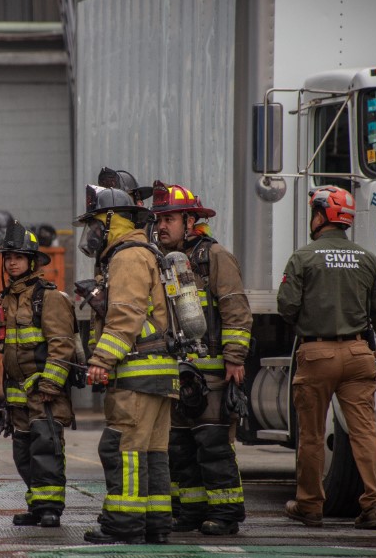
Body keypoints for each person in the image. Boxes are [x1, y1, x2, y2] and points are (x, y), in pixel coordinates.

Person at [278, 186, 376, 530]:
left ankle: (310, 505)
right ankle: (373, 504)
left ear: (320, 216)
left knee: (311, 435)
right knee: (365, 433)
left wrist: (308, 328)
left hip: (317, 354)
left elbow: (286, 306)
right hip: (360, 354)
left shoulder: (304, 257)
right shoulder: (367, 258)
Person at [75, 185, 177, 545]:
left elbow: (126, 313)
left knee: (123, 448)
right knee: (153, 452)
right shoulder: (144, 252)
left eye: (93, 224)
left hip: (137, 373)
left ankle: (125, 523)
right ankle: (155, 523)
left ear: (109, 220)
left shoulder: (127, 256)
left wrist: (102, 359)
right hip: (158, 374)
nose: (91, 233)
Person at [151, 181, 252, 536]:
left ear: (191, 220)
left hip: (210, 371)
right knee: (178, 446)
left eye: (170, 218)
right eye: (158, 220)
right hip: (176, 372)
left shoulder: (215, 256)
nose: (161, 226)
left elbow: (236, 309)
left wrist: (235, 358)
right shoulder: (161, 262)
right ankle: (191, 510)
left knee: (212, 443)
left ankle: (226, 513)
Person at [0, 219, 76, 528]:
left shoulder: (49, 297)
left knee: (46, 450)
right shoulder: (6, 299)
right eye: (8, 257)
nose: (12, 262)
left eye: (18, 257)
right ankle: (36, 505)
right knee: (24, 455)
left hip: (44, 393)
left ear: (31, 261)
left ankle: (50, 509)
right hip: (18, 396)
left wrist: (50, 383)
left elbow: (62, 344)